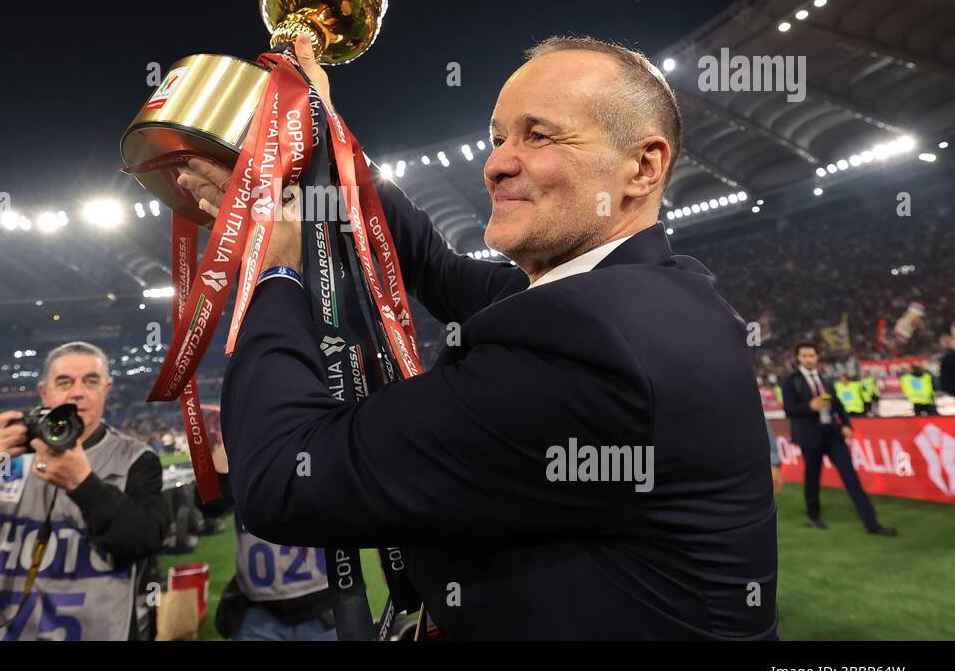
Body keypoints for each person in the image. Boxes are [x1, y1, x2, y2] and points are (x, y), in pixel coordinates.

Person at [179, 34, 778, 639]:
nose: (495, 164)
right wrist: (320, 136)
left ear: (643, 167)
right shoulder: (631, 293)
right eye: (498, 139)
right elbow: (431, 266)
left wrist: (275, 267)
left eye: (538, 135)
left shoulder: (593, 343)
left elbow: (284, 477)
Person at [0, 342, 167, 640]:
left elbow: (145, 540)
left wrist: (83, 484)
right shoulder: (7, 453)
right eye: (64, 382)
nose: (78, 392)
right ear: (45, 392)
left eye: (91, 381)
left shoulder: (134, 458)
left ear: (106, 389)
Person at [197, 443, 336, 641]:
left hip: (325, 605)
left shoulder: (318, 433)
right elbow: (209, 501)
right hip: (258, 610)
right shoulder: (249, 439)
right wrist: (232, 434)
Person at [781, 342, 896, 536]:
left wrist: (846, 425)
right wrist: (810, 407)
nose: (809, 359)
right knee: (812, 479)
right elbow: (789, 409)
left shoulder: (826, 380)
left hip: (833, 435)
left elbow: (839, 405)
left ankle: (872, 524)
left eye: (812, 355)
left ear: (817, 357)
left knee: (851, 477)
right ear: (798, 358)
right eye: (804, 355)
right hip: (810, 437)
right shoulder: (792, 381)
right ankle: (814, 516)